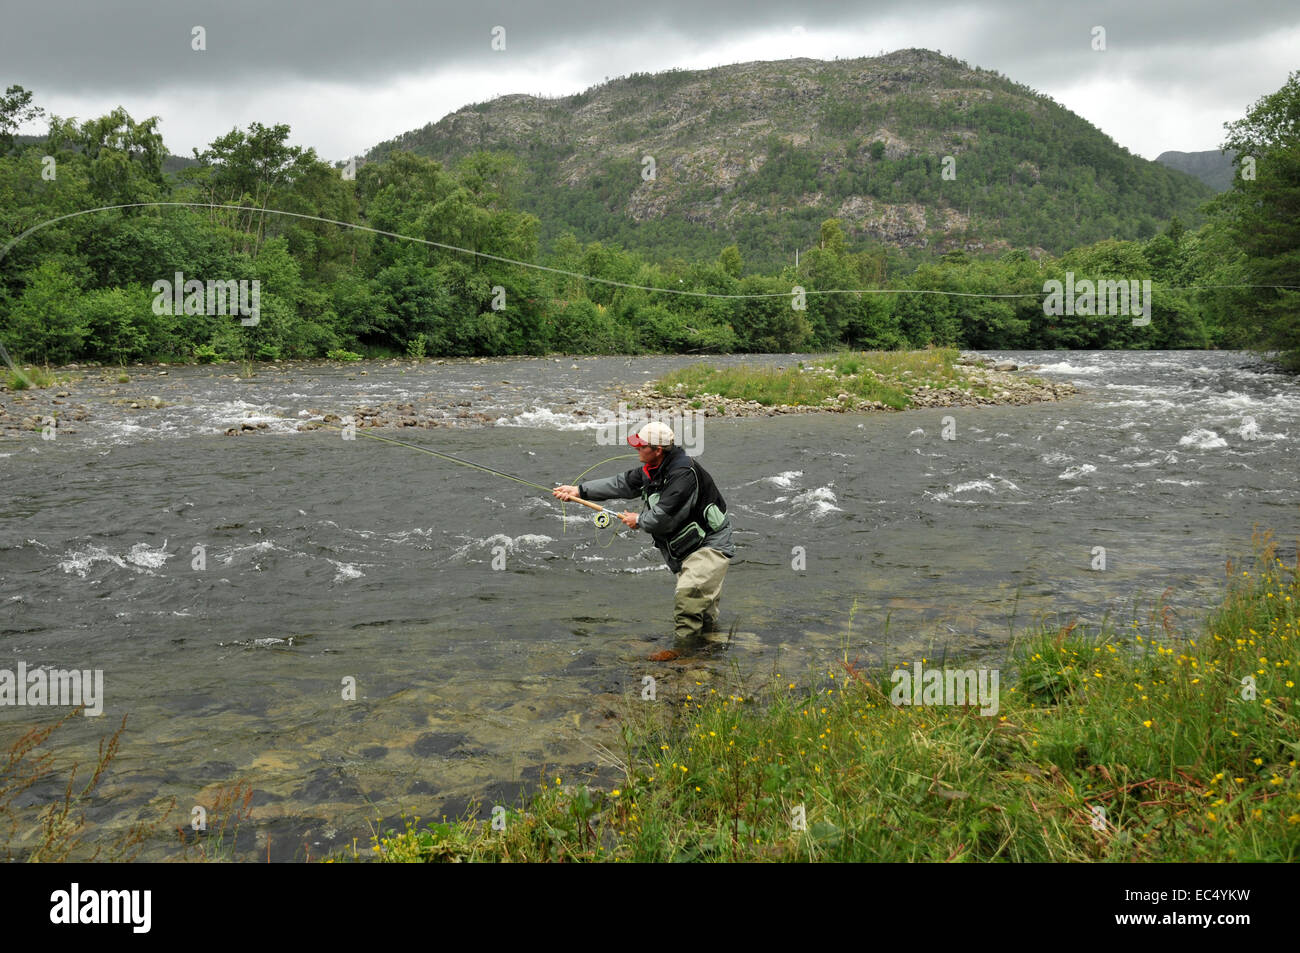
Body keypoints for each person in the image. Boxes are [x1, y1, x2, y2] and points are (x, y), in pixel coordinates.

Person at [553, 421, 735, 661]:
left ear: (658, 450)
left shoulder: (683, 475)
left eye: (641, 446)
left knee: (687, 595)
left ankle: (682, 652)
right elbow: (621, 483)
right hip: (688, 547)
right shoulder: (654, 468)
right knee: (703, 608)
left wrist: (639, 520)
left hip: (710, 543)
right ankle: (710, 655)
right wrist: (579, 491)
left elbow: (664, 516)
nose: (636, 449)